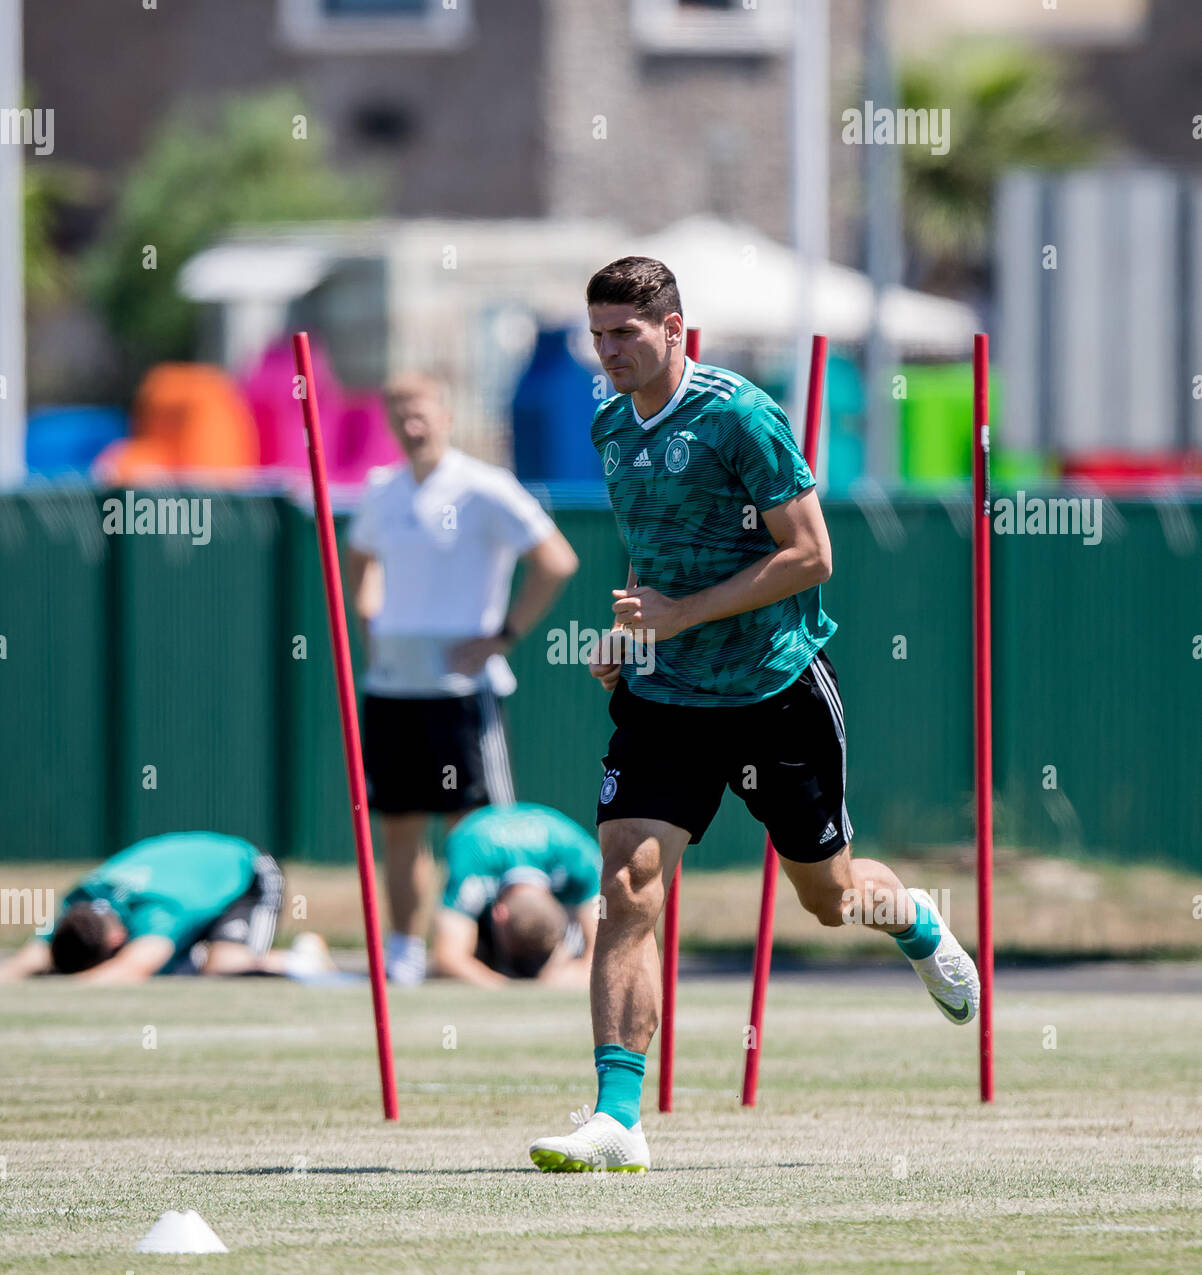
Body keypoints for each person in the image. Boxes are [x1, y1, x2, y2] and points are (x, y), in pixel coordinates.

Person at [528, 257, 980, 1174]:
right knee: (626, 886)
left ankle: (919, 923)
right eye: (599, 335)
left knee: (830, 896)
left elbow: (812, 556)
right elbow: (650, 554)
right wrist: (629, 630)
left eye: (627, 333)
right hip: (664, 699)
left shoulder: (741, 415)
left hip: (777, 688)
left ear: (675, 329)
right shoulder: (609, 424)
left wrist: (681, 616)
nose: (610, 352)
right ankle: (619, 1119)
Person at [345, 372, 578, 987]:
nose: (409, 422)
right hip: (393, 687)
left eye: (419, 409)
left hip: (460, 693)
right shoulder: (381, 490)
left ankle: (483, 951)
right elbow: (359, 558)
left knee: (475, 832)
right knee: (397, 828)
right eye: (397, 410)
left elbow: (556, 560)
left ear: (446, 415)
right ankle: (404, 952)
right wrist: (371, 622)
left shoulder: (484, 487)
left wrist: (501, 636)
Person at [0, 832, 329, 982]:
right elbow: (27, 959)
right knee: (184, 968)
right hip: (191, 876)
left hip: (244, 870)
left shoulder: (155, 911)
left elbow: (132, 969)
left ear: (117, 940)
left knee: (224, 967)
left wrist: (64, 987)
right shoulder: (79, 899)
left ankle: (303, 957)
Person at [430, 802, 600, 988]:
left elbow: (601, 954)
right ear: (499, 914)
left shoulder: (579, 856)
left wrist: (559, 974)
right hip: (487, 929)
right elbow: (446, 958)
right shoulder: (471, 852)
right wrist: (509, 986)